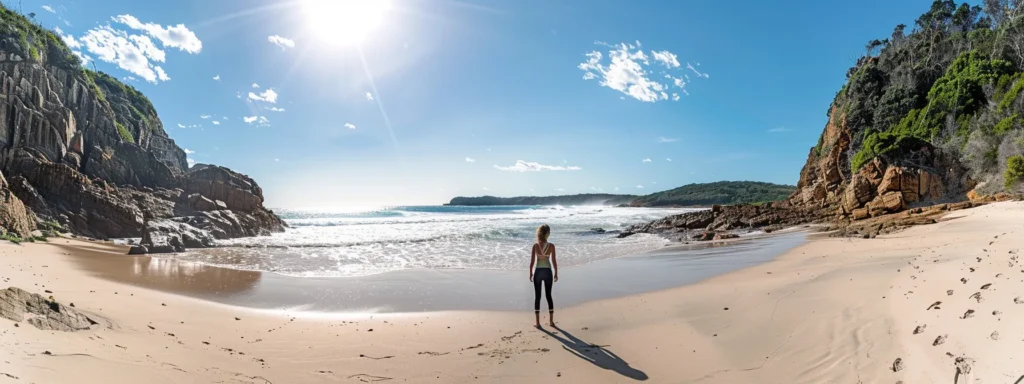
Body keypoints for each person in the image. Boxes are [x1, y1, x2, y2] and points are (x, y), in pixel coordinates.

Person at [529, 224, 558, 327]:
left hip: (538, 272)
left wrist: (530, 273)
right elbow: (554, 261)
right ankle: (551, 322)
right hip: (548, 272)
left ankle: (537, 323)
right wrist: (556, 273)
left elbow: (532, 262)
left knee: (538, 297)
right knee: (549, 296)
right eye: (549, 231)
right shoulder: (551, 246)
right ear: (547, 234)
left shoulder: (535, 246)